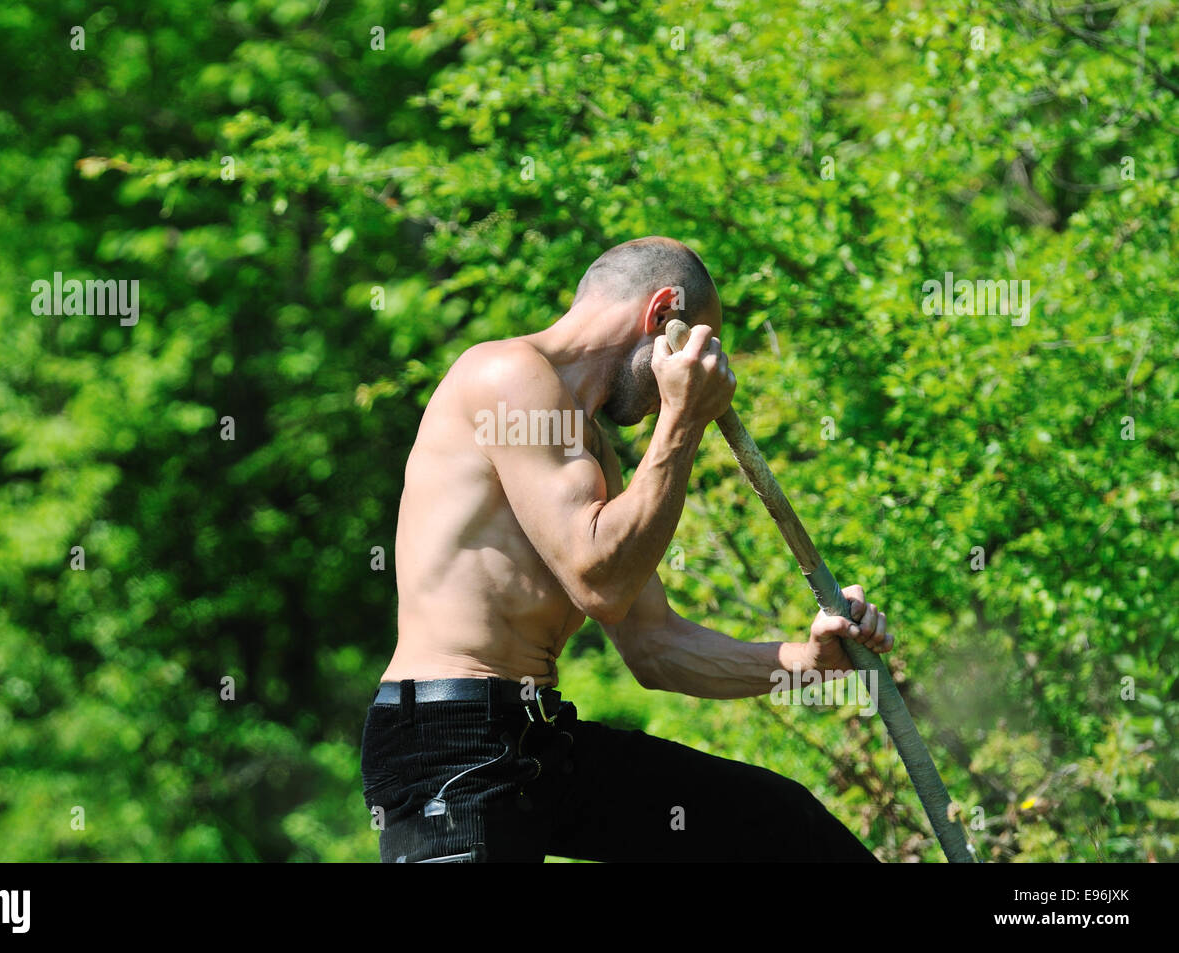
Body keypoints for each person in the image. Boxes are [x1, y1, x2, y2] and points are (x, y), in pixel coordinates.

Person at [361, 236, 891, 862]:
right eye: (701, 342)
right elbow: (601, 586)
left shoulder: (594, 455)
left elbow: (655, 647)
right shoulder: (505, 373)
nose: (708, 366)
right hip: (448, 744)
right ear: (662, 314)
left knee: (784, 828)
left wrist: (808, 660)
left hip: (536, 740)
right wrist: (683, 418)